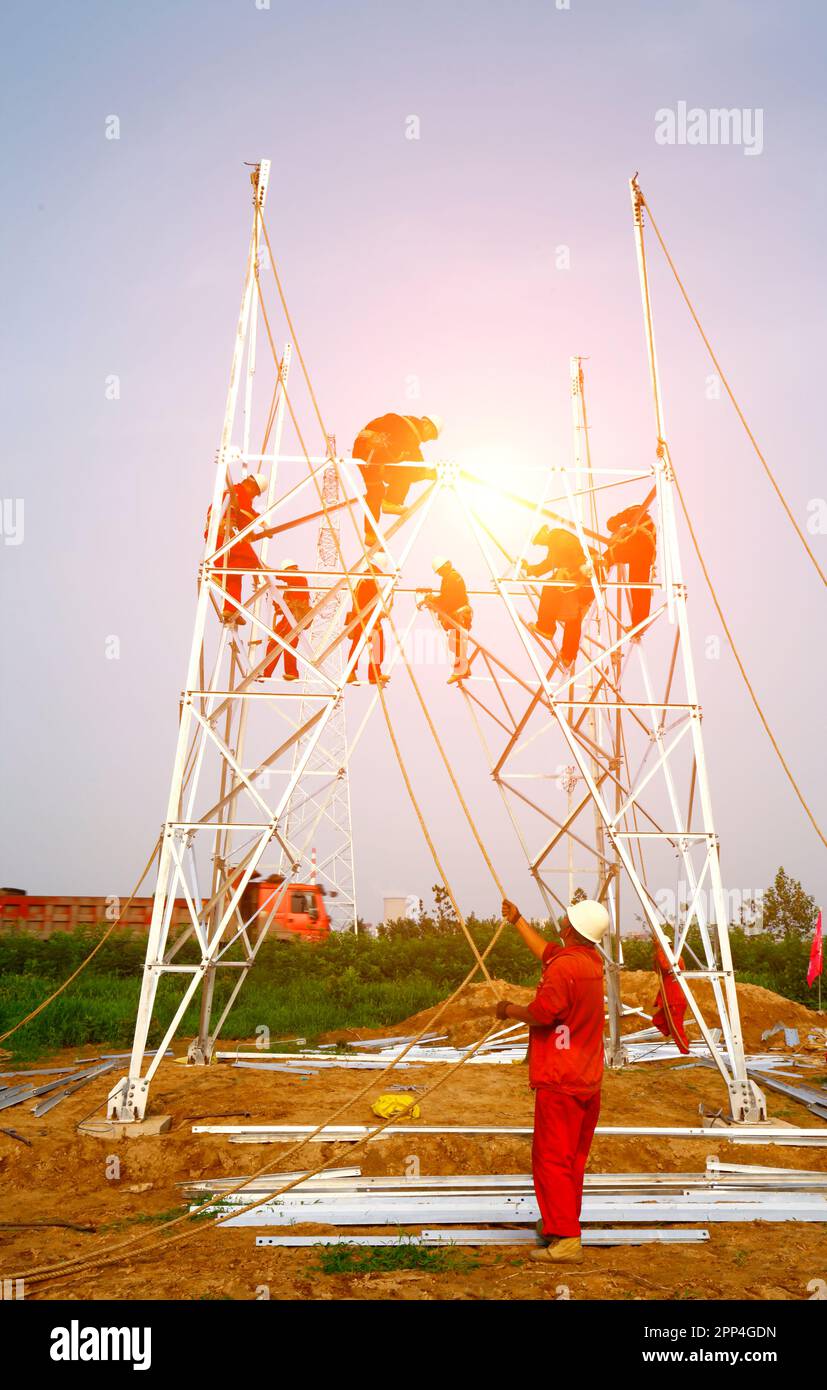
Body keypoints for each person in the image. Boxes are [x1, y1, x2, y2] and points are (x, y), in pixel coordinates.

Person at [493, 894, 610, 1264]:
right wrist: (518, 921)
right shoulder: (589, 963)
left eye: (566, 920)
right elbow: (548, 953)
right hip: (586, 1078)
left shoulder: (565, 968)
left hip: (560, 1077)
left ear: (572, 929)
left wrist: (508, 1010)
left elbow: (544, 1012)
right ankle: (561, 1222)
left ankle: (566, 1238)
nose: (561, 923)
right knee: (571, 1159)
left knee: (551, 1159)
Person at [352, 413, 442, 542]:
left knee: (376, 491)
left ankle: (370, 535)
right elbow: (415, 460)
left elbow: (387, 422)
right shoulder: (409, 427)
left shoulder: (405, 428)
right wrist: (430, 473)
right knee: (408, 469)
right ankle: (391, 501)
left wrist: (369, 432)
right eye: (431, 435)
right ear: (426, 424)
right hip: (372, 451)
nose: (428, 440)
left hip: (366, 454)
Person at [522, 526, 597, 670]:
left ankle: (546, 626)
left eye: (539, 539)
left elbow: (572, 553)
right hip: (587, 579)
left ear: (544, 531)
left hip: (584, 574)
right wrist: (529, 569)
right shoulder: (556, 543)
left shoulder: (558, 537)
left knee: (550, 587)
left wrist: (575, 568)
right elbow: (548, 564)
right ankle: (568, 655)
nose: (540, 543)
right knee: (573, 615)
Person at [206, 473, 268, 624]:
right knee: (252, 559)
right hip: (224, 533)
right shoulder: (238, 492)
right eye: (255, 494)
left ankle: (231, 609)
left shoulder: (235, 492)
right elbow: (244, 513)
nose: (254, 497)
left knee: (235, 573)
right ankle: (220, 576)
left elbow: (241, 517)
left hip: (218, 536)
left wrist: (251, 531)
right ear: (253, 487)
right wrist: (260, 522)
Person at [602, 505, 657, 634]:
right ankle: (639, 623)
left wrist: (616, 530)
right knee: (639, 587)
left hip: (638, 546)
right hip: (644, 553)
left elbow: (612, 524)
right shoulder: (642, 523)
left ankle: (597, 572)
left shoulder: (632, 513)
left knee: (609, 555)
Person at [420, 556, 473, 684]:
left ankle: (460, 670)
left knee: (458, 642)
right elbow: (447, 598)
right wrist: (434, 600)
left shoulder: (452, 578)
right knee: (455, 643)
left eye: (439, 571)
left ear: (444, 567)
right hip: (458, 614)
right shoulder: (449, 578)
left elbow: (449, 599)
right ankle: (464, 669)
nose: (439, 574)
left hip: (460, 615)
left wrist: (433, 600)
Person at [262, 559, 310, 681]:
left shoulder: (300, 579)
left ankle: (292, 672)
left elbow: (285, 577)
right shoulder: (291, 587)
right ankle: (267, 672)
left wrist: (267, 568)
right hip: (288, 618)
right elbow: (284, 607)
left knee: (289, 643)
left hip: (295, 617)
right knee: (274, 643)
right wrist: (272, 601)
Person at [345, 560, 390, 686]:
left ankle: (370, 673)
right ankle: (366, 673)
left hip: (366, 619)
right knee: (370, 646)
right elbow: (366, 604)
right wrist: (378, 613)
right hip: (365, 619)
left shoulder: (365, 582)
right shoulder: (367, 582)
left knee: (369, 646)